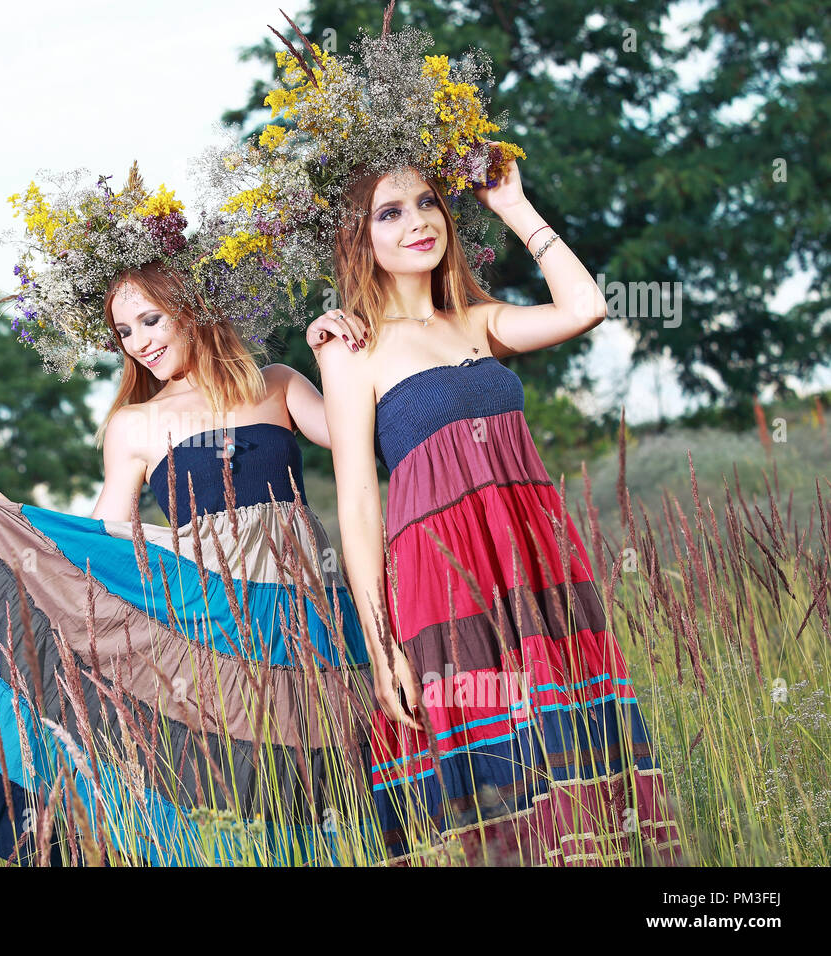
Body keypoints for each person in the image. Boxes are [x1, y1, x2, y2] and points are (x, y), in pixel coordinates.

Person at [203, 13, 685, 865]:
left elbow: (586, 308)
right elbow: (355, 498)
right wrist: (380, 639)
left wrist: (515, 204)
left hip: (536, 560)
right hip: (442, 582)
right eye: (390, 212)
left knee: (577, 758)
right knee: (492, 768)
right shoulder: (350, 347)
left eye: (428, 201)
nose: (418, 220)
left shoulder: (483, 321)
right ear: (362, 237)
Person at [0, 166, 377, 867]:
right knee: (253, 779)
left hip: (311, 607)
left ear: (192, 302)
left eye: (151, 318)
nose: (140, 341)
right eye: (124, 331)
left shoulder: (275, 385)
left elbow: (363, 436)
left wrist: (336, 349)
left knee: (333, 776)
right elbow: (106, 537)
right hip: (216, 619)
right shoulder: (135, 425)